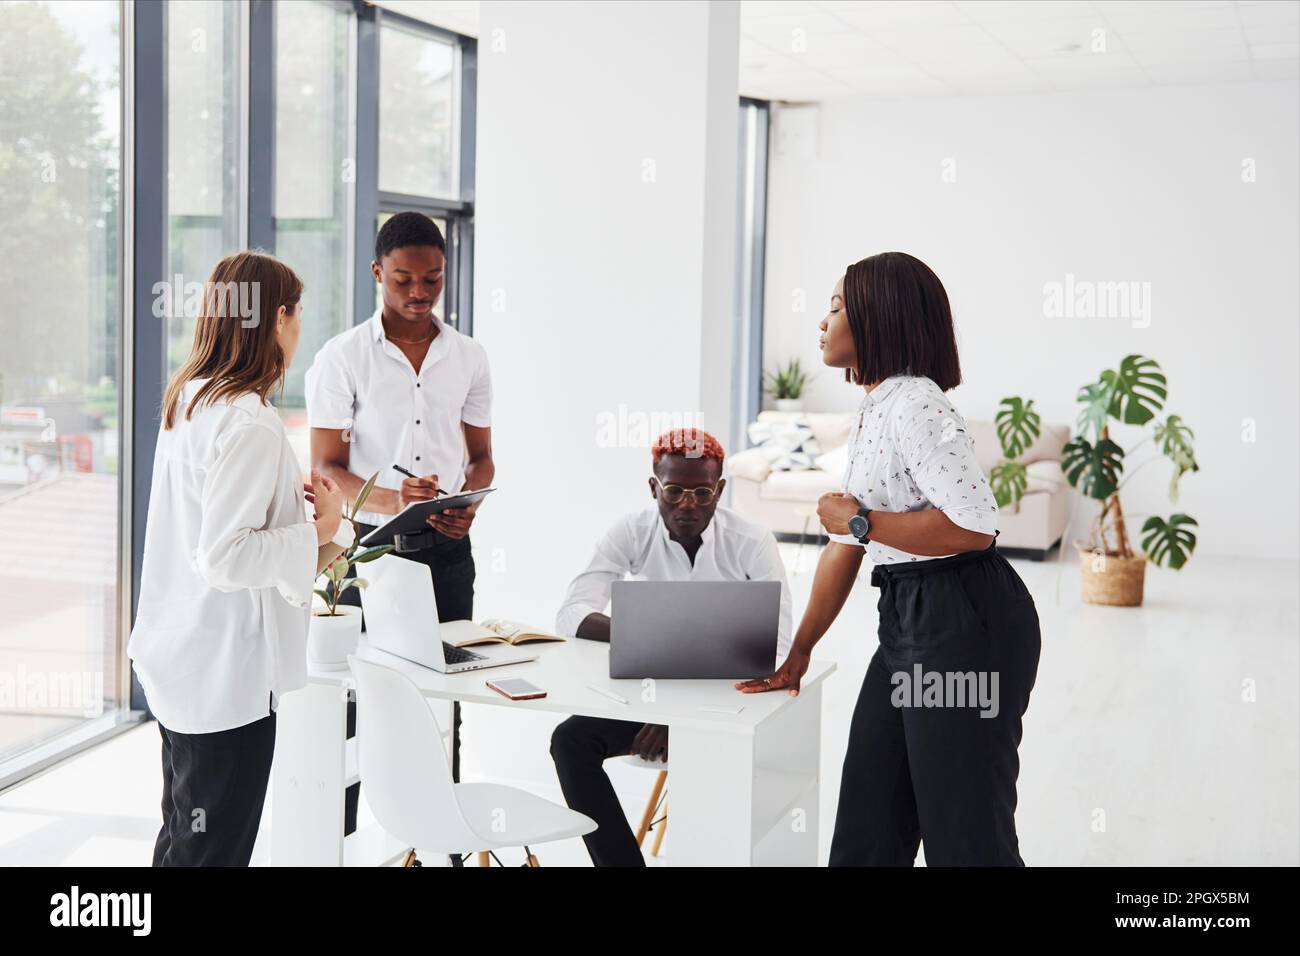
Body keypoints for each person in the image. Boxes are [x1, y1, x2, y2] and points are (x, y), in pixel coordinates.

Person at [738, 251, 1042, 867]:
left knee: (966, 839)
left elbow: (973, 526)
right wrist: (798, 654)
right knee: (868, 831)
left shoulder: (916, 403)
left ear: (877, 317)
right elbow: (846, 546)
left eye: (834, 306)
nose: (822, 322)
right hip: (909, 619)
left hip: (964, 621)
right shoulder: (878, 406)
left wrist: (860, 520)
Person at [130, 251, 350, 866]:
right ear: (278, 318)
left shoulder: (191, 401)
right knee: (210, 852)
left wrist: (323, 533)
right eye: (298, 313)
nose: (300, 327)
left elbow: (218, 539)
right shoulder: (250, 423)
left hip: (184, 663)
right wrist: (322, 527)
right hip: (224, 679)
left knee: (184, 840)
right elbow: (225, 558)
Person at [305, 211, 493, 833]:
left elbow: (482, 455)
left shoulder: (468, 356)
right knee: (366, 692)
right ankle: (343, 830)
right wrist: (393, 497)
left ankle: (445, 830)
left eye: (433, 280)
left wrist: (471, 499)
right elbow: (327, 467)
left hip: (448, 551)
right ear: (377, 273)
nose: (419, 293)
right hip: (372, 555)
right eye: (404, 280)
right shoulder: (341, 358)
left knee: (451, 689)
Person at [550, 428, 792, 867]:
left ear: (719, 489)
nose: (688, 504)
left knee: (715, 759)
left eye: (702, 492)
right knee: (569, 741)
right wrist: (646, 632)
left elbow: (777, 646)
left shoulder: (751, 542)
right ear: (654, 487)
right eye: (674, 490)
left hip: (727, 707)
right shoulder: (631, 530)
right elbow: (571, 614)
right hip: (651, 698)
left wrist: (681, 721)